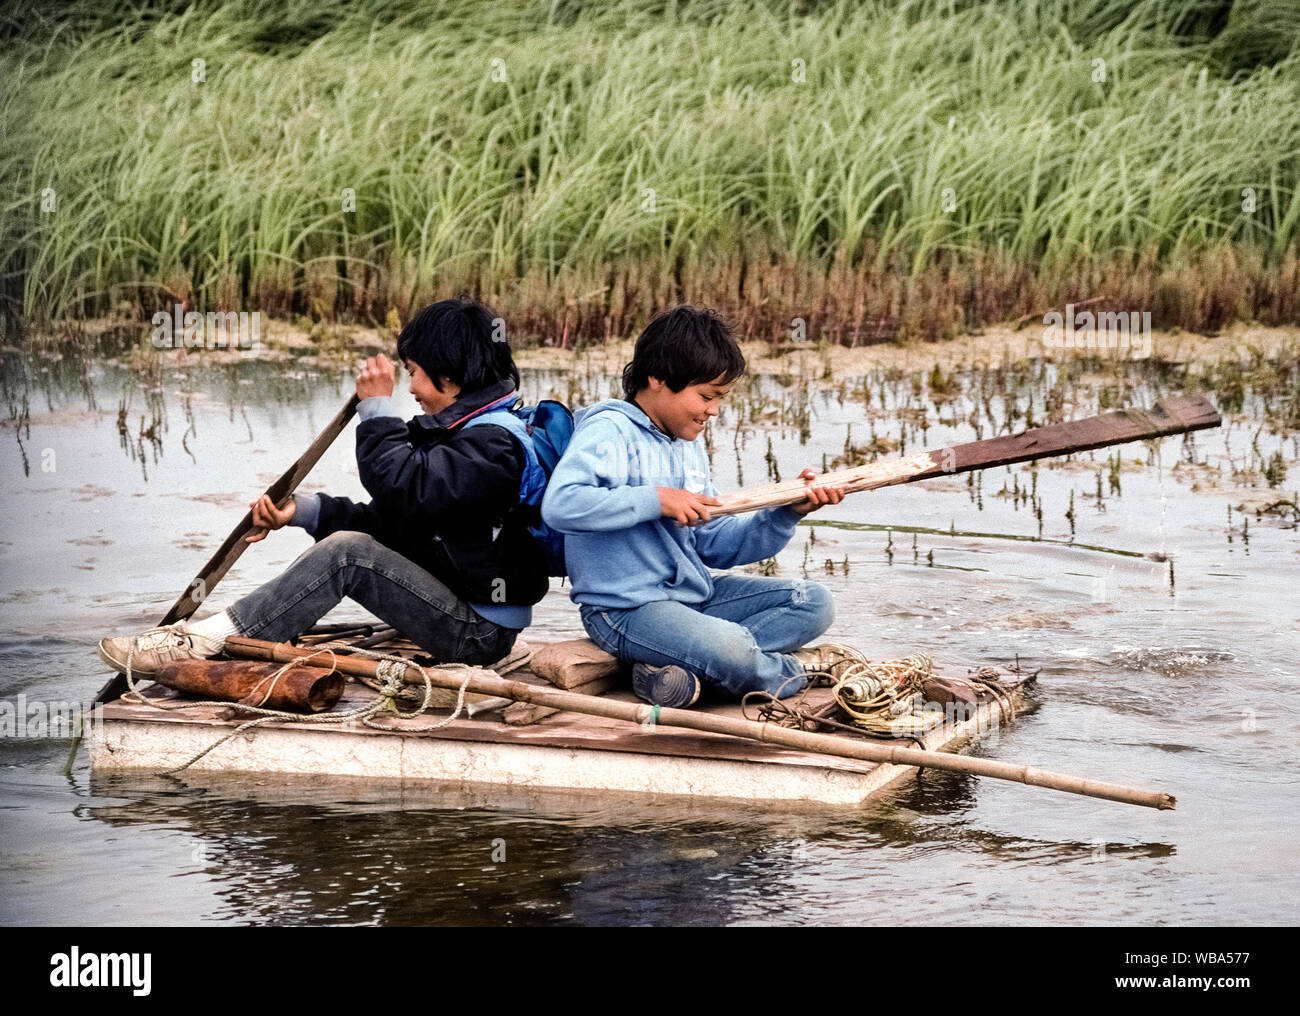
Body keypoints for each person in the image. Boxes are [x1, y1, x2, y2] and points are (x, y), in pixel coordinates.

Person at [98, 298, 548, 676]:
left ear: (449, 376)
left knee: (347, 555)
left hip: (478, 632)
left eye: (414, 372)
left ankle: (209, 642)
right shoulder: (470, 434)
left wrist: (376, 410)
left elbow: (401, 486)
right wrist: (303, 512)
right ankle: (221, 633)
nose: (410, 387)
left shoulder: (495, 445)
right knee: (349, 543)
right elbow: (396, 522)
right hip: (464, 606)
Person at [540, 305, 849, 709]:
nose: (714, 410)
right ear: (658, 378)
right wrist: (657, 499)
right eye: (706, 396)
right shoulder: (609, 430)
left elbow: (713, 544)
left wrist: (786, 513)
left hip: (695, 598)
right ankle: (797, 672)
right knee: (730, 646)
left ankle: (678, 668)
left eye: (720, 397)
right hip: (626, 611)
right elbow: (561, 505)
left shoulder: (686, 446)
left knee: (812, 602)